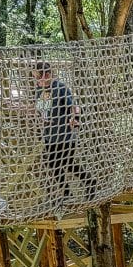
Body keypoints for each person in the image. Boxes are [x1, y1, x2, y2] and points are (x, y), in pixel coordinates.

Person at [34, 61, 96, 204]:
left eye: (38, 77)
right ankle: (67, 192)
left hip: (65, 136)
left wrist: (75, 118)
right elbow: (39, 109)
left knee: (67, 163)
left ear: (48, 75)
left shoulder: (60, 88)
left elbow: (74, 107)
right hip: (50, 136)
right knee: (53, 164)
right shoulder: (40, 90)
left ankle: (89, 182)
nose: (36, 80)